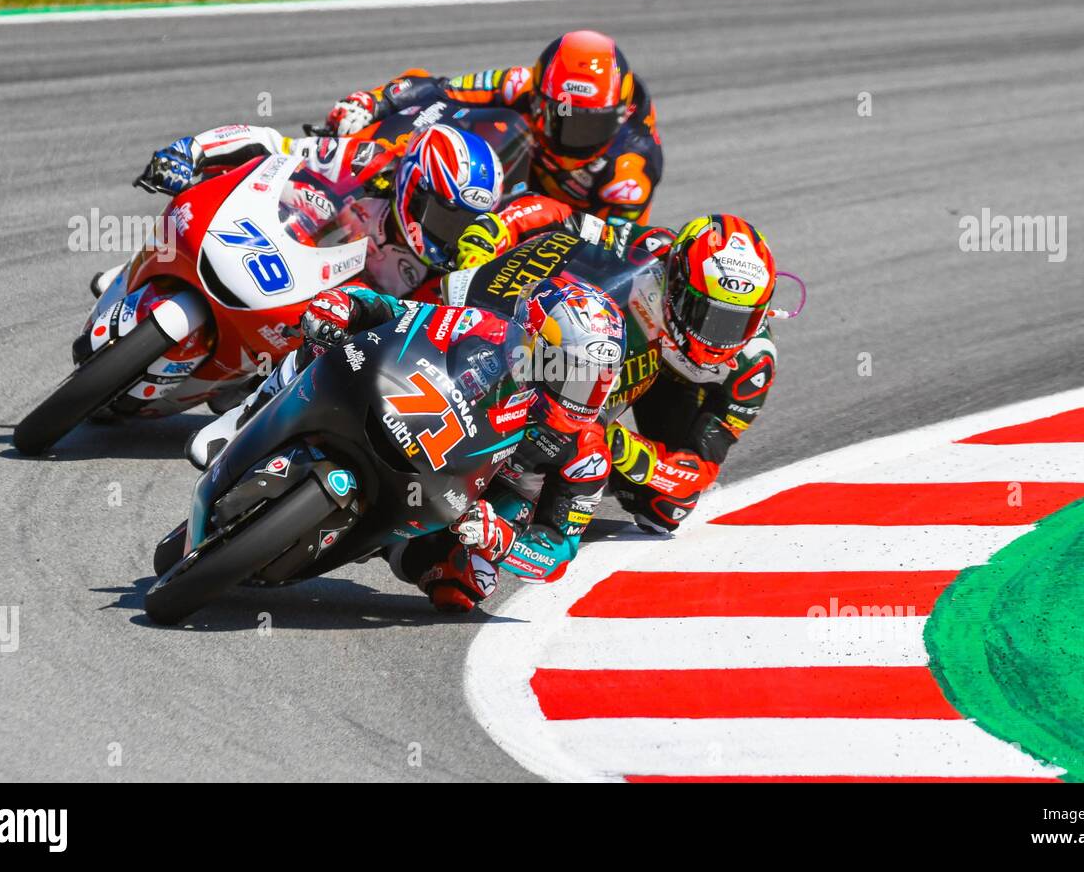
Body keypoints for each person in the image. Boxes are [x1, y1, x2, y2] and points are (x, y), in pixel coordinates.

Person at [189, 275, 627, 613]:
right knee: (328, 336)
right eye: (571, 370)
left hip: (472, 501)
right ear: (533, 342)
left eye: (595, 379)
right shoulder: (482, 329)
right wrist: (348, 306)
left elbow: (558, 551)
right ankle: (247, 414)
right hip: (415, 418)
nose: (583, 391)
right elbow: (402, 314)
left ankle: (390, 542)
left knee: (469, 583)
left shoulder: (587, 453)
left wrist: (505, 539)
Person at [452, 199, 799, 533]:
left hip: (673, 392)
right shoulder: (654, 249)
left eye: (738, 322)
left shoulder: (754, 364)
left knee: (666, 508)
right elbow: (557, 214)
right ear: (678, 281)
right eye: (706, 314)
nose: (718, 338)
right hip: (610, 345)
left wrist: (619, 444)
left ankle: (562, 488)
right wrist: (493, 231)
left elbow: (697, 473)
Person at [123, 120, 505, 297]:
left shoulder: (439, 271)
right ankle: (139, 265)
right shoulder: (365, 161)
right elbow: (273, 144)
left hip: (307, 319)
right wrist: (192, 151)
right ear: (413, 186)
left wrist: (469, 279)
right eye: (444, 215)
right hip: (271, 241)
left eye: (461, 224)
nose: (447, 232)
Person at [321, 30, 663, 223]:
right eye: (563, 118)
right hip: (504, 188)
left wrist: (523, 221)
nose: (574, 137)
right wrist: (372, 102)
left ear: (619, 115)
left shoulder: (628, 173)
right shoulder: (521, 85)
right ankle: (355, 159)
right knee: (460, 112)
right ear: (540, 100)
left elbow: (612, 249)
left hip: (562, 232)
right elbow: (440, 88)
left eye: (591, 125)